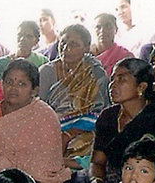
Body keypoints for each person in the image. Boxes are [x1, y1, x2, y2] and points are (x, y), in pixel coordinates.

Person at [38, 23, 110, 161]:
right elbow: (39, 109)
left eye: (74, 44)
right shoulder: (46, 72)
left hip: (86, 129)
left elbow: (101, 113)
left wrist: (70, 133)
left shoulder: (95, 72)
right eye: (63, 43)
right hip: (50, 129)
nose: (66, 48)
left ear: (86, 48)